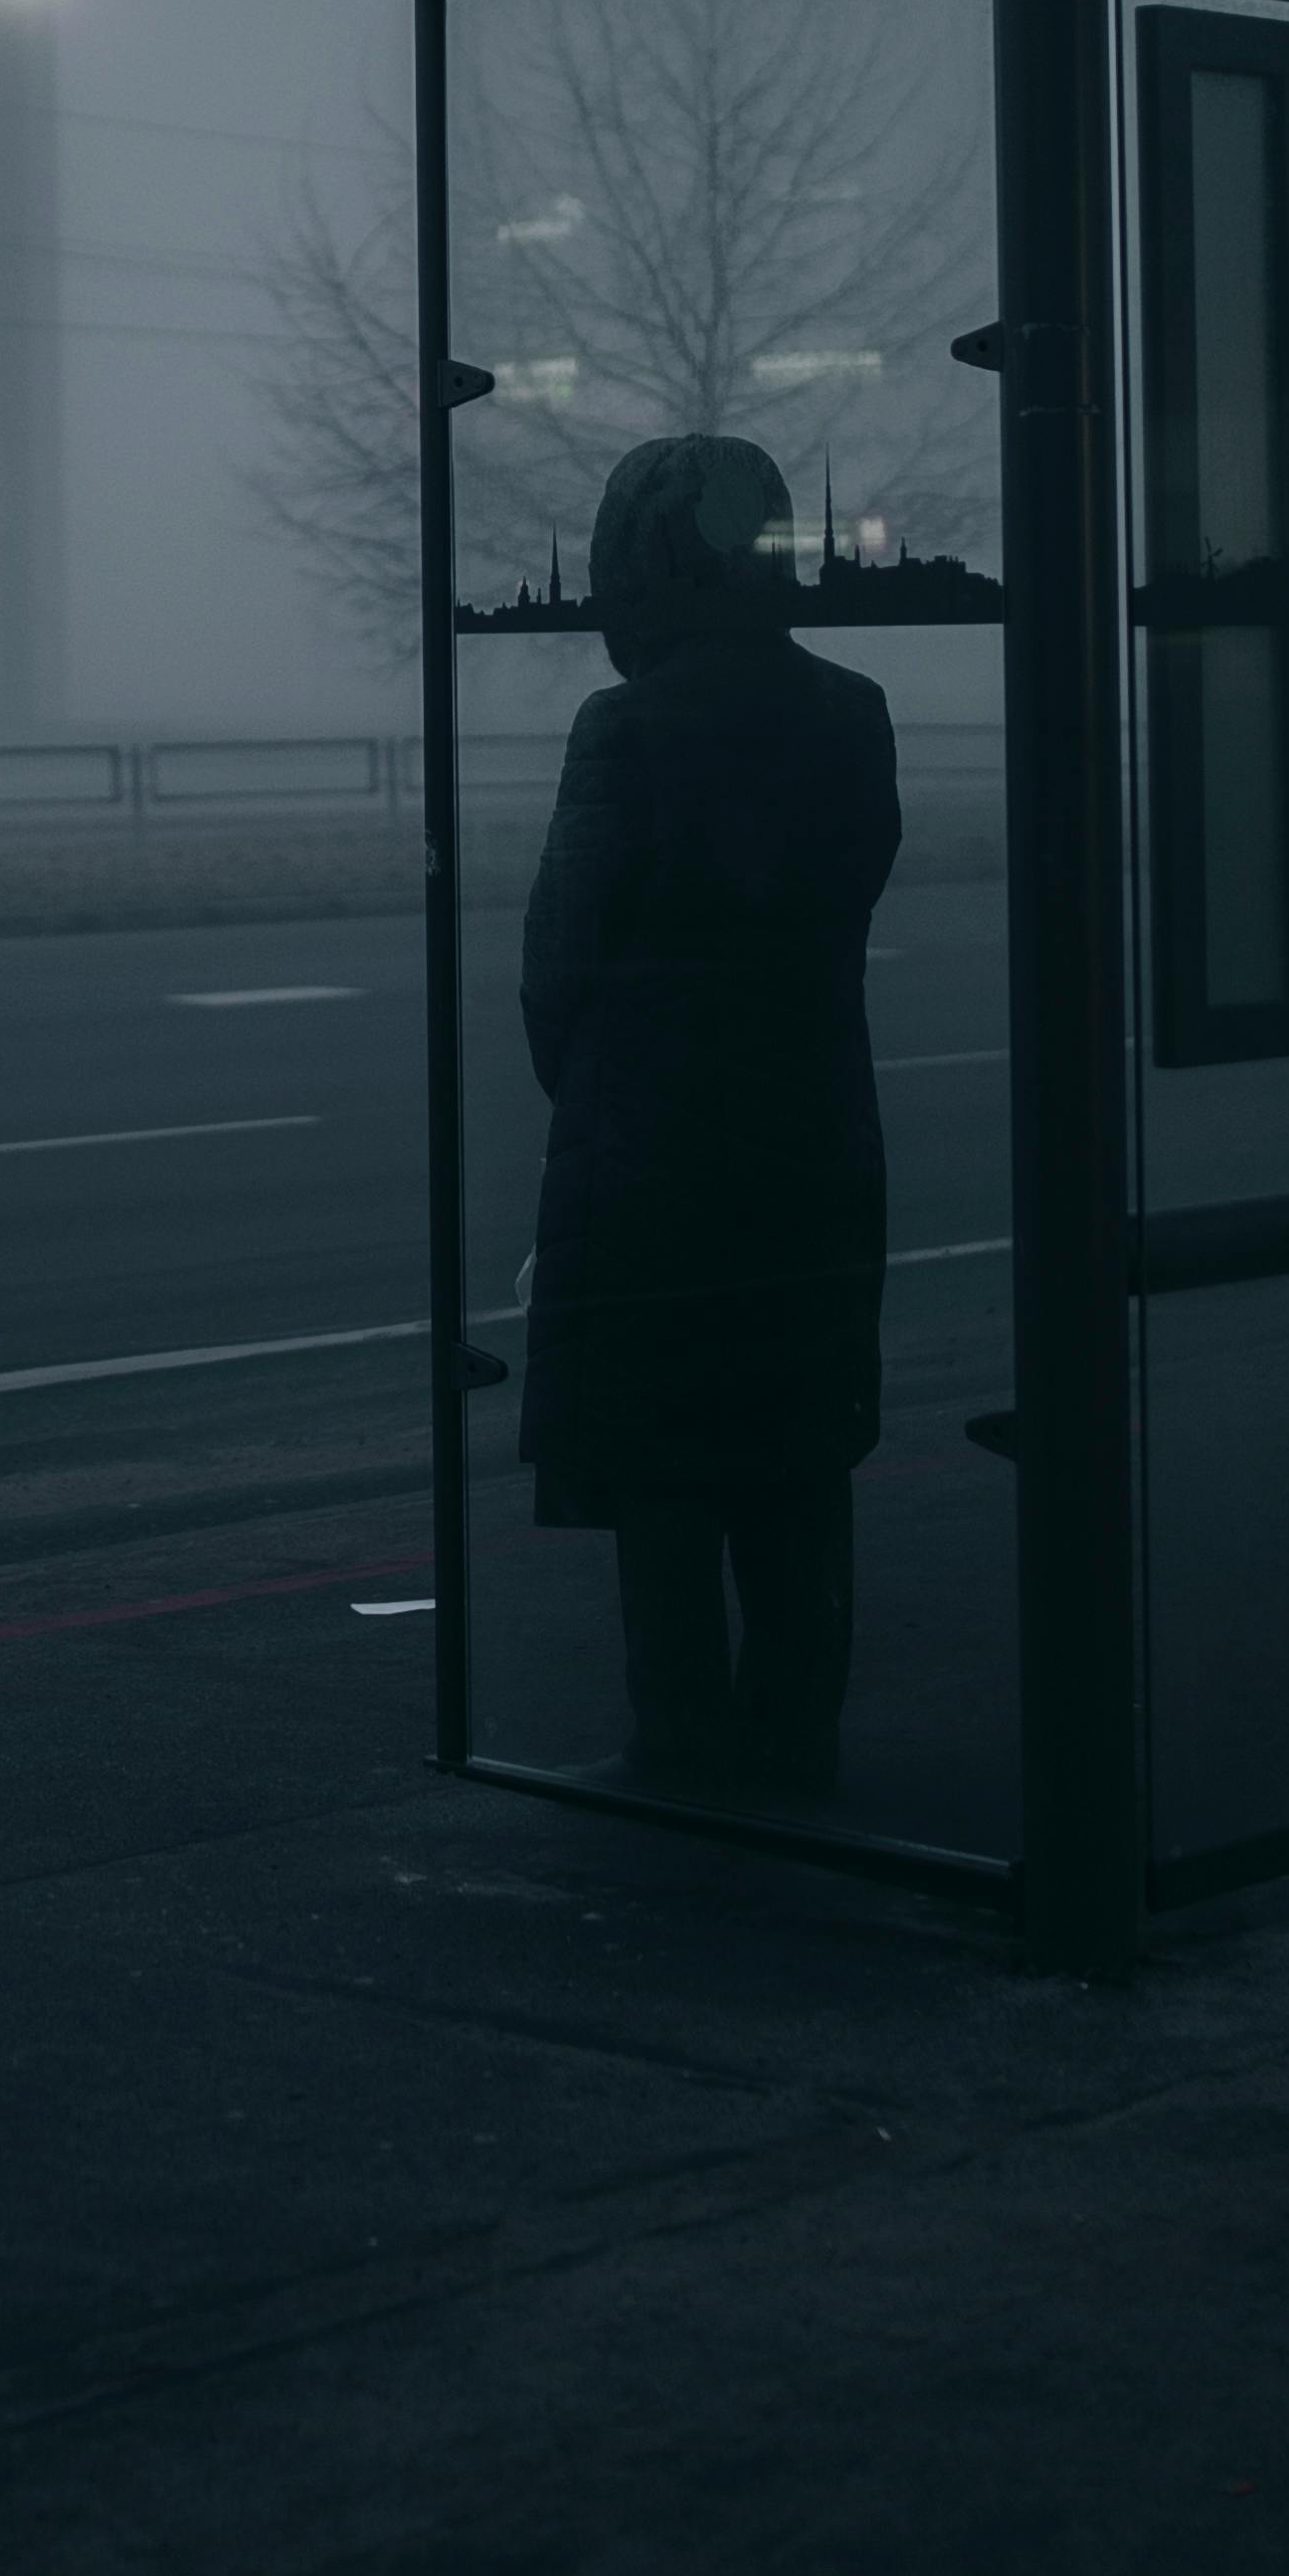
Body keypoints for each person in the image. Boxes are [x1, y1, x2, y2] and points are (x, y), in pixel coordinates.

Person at [515, 436, 901, 1793]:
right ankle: (797, 1733)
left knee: (664, 1461)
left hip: (655, 1147)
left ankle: (681, 1742)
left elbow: (558, 963)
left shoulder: (623, 728)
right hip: (817, 1128)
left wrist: (608, 1093)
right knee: (799, 1451)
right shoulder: (854, 712)